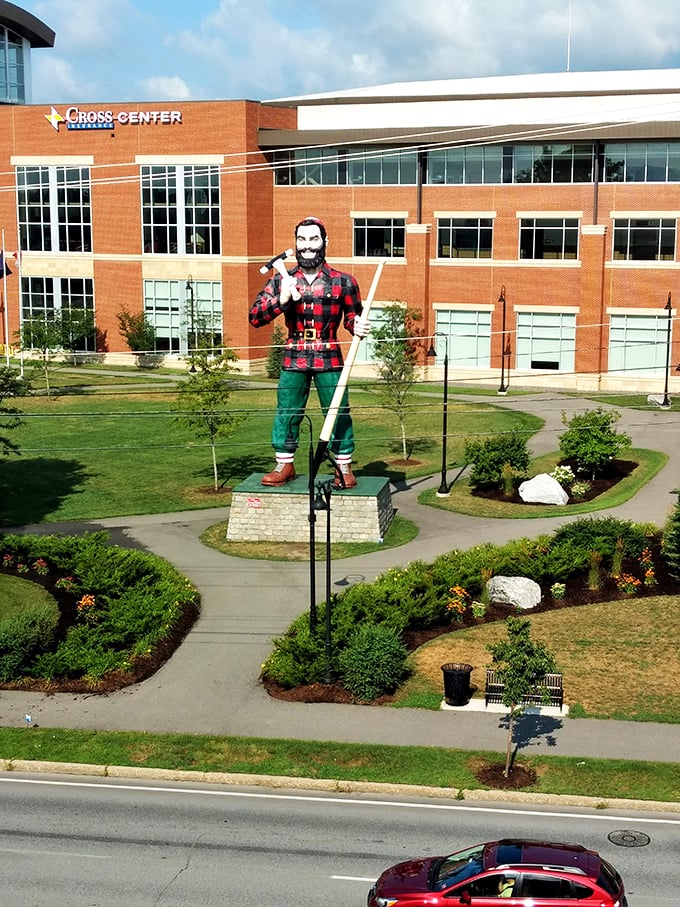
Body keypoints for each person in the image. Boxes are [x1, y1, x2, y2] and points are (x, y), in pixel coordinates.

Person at [249, 216, 370, 487]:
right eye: (301, 240)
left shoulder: (344, 281)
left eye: (313, 239)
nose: (307, 246)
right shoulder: (282, 281)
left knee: (337, 410)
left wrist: (358, 325)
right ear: (295, 243)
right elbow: (255, 317)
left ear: (324, 242)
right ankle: (285, 464)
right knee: (287, 410)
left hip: (329, 355)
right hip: (294, 355)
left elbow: (352, 318)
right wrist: (280, 301)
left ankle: (343, 467)